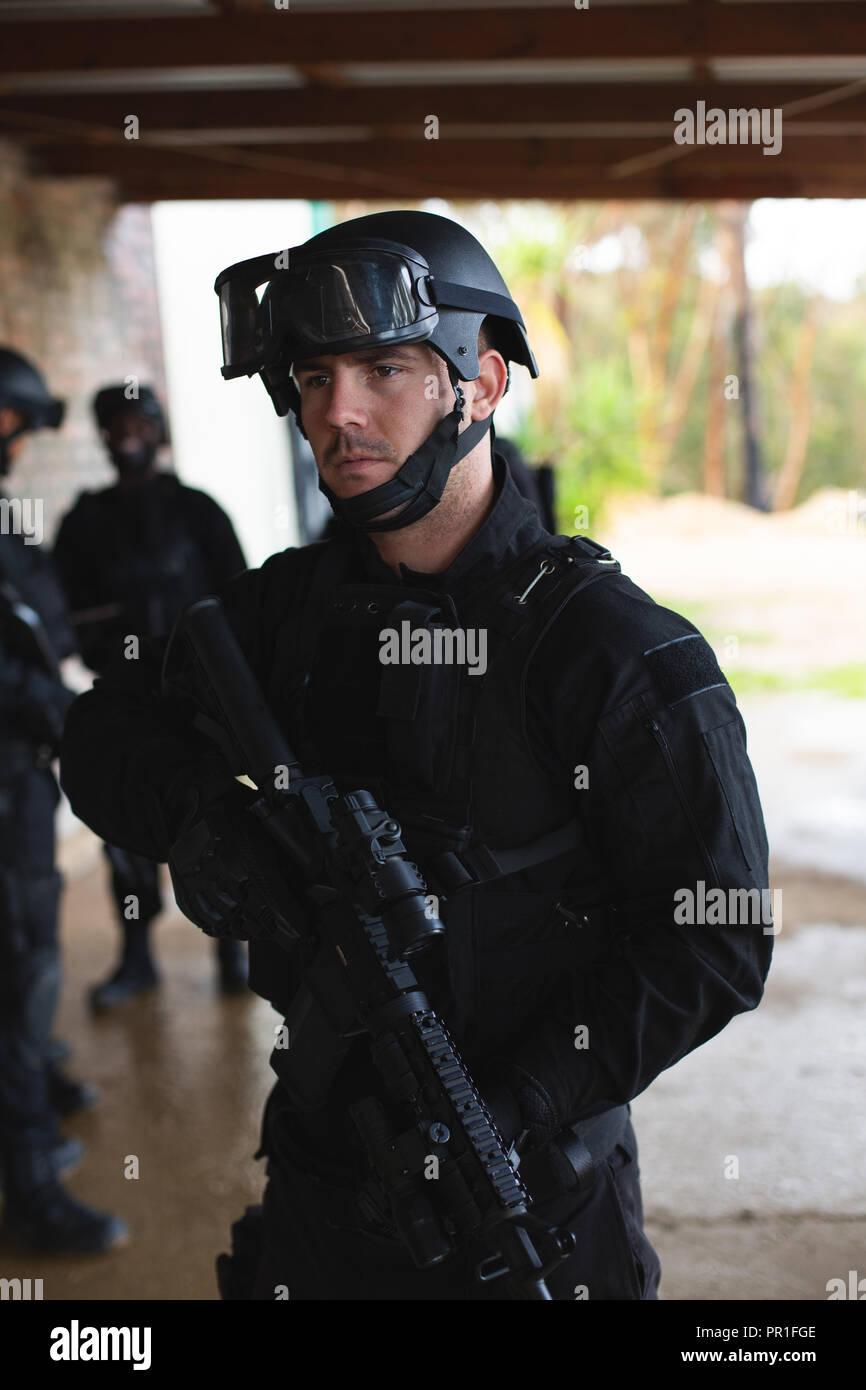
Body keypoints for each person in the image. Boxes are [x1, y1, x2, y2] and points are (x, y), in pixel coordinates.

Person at [60, 211, 773, 1299]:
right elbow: (102, 728)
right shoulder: (281, 615)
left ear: (480, 385)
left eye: (384, 368)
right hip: (319, 1189)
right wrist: (198, 820)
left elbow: (714, 940)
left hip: (526, 1196)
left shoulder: (614, 650)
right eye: (310, 378)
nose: (337, 411)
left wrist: (519, 1101)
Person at [54, 385, 249, 1010]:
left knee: (221, 823)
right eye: (113, 426)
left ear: (158, 431)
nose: (125, 436)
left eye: (137, 423)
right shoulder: (85, 522)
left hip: (202, 697)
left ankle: (232, 951)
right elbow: (68, 615)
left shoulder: (198, 511)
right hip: (126, 705)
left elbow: (242, 600)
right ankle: (136, 958)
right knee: (125, 834)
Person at [0, 347, 126, 1252]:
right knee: (13, 977)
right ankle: (29, 1183)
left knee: (31, 965)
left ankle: (33, 1096)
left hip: (18, 780)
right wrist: (71, 718)